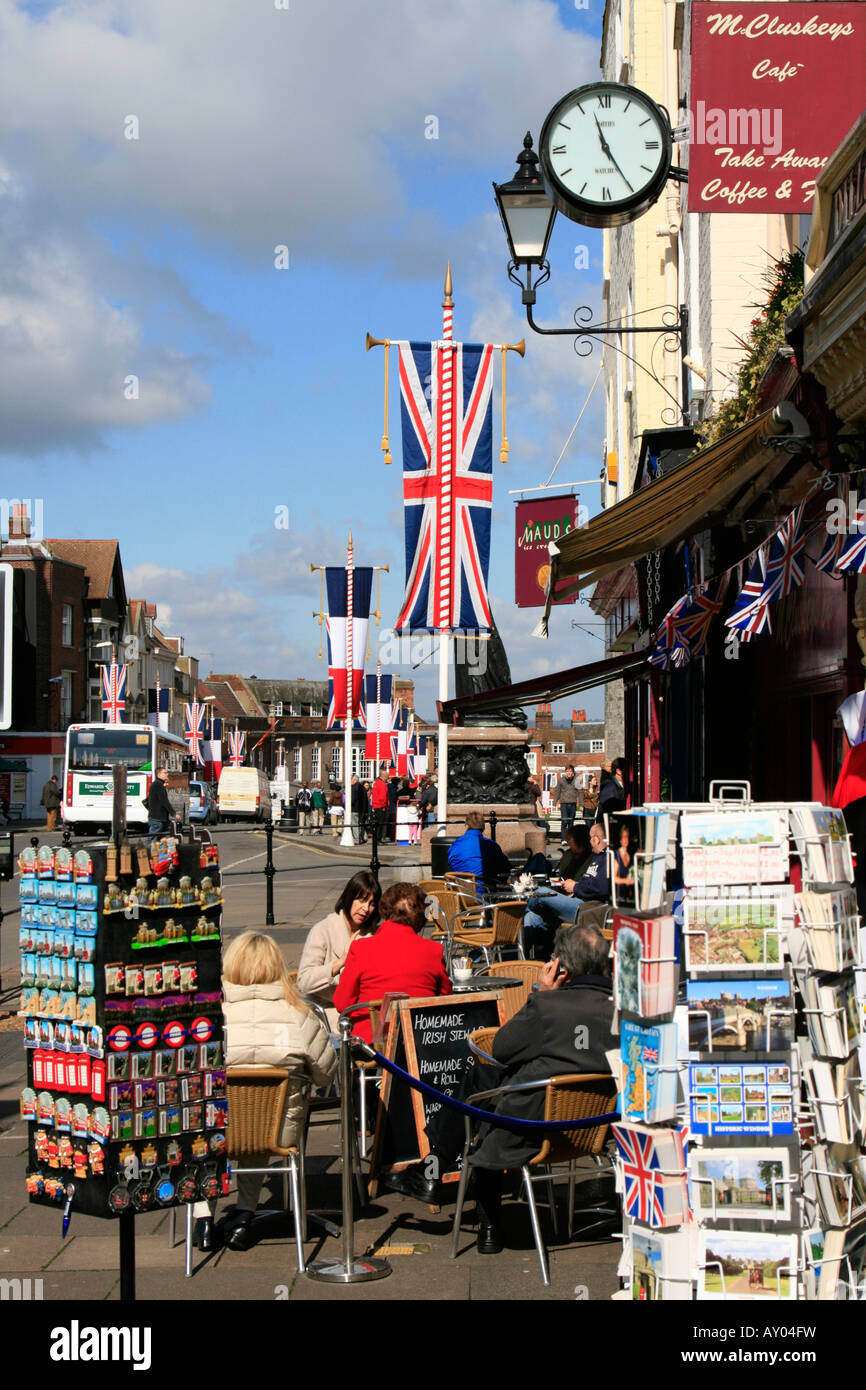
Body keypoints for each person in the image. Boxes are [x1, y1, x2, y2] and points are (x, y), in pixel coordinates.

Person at [387, 922, 616, 1256]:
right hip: (592, 1127)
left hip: (531, 1127)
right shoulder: (623, 1010)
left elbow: (501, 1048)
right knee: (486, 1081)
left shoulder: (550, 1008)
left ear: (563, 968)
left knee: (484, 1092)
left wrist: (540, 994)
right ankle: (433, 1171)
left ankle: (471, 1205)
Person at [209, 932, 338, 1253]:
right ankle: (244, 1213)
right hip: (279, 1133)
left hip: (219, 1132)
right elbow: (327, 1074)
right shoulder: (299, 1015)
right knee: (261, 1117)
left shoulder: (211, 1020)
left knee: (217, 1116)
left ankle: (202, 1218)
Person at [333, 882, 452, 1044]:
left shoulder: (361, 948)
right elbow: (445, 1000)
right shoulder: (433, 950)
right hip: (419, 1044)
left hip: (370, 1044)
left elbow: (342, 1003)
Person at [296, 870, 381, 1022]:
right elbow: (303, 982)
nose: (366, 909)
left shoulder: (373, 935)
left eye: (371, 904)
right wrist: (340, 962)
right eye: (361, 900)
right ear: (349, 897)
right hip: (324, 1014)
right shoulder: (323, 930)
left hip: (362, 1011)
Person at [522, 823, 609, 952]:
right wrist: (575, 887)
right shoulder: (596, 857)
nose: (590, 841)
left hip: (586, 908)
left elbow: (601, 887)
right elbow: (588, 883)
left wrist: (575, 887)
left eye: (591, 838)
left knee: (540, 893)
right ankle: (522, 961)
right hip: (576, 900)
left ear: (596, 839)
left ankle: (520, 907)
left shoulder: (607, 858)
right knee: (531, 917)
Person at [448, 811, 511, 890]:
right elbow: (504, 868)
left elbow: (450, 864)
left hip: (460, 893)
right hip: (484, 894)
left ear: (466, 826)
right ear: (483, 828)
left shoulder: (455, 845)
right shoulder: (491, 845)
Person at [142, 768, 173, 839]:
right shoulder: (157, 784)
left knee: (165, 839)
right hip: (157, 818)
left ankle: (166, 849)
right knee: (152, 839)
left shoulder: (159, 784)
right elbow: (164, 801)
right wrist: (173, 813)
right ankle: (148, 849)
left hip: (161, 819)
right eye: (165, 773)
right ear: (159, 774)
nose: (167, 774)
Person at [554, 765, 580, 845]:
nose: (569, 773)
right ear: (565, 772)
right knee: (564, 821)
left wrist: (581, 804)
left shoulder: (576, 780)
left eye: (570, 771)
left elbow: (580, 792)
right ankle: (563, 839)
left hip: (573, 803)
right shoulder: (561, 780)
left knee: (571, 823)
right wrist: (555, 802)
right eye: (567, 771)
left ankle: (571, 840)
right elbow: (557, 791)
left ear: (573, 773)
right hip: (564, 804)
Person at [370, 771, 389, 842]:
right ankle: (378, 839)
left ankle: (376, 839)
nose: (388, 778)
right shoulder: (382, 784)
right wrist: (384, 806)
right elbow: (383, 797)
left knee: (377, 824)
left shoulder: (376, 783)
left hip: (376, 805)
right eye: (387, 776)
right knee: (380, 824)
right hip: (380, 806)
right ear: (384, 776)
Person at [351, 775, 367, 843]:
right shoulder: (363, 787)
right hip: (362, 809)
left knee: (355, 824)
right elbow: (365, 799)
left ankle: (357, 840)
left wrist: (350, 804)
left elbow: (353, 799)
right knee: (360, 824)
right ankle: (363, 837)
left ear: (354, 780)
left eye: (351, 780)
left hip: (355, 809)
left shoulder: (354, 788)